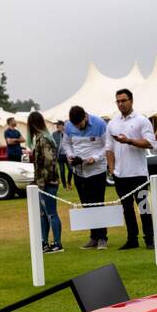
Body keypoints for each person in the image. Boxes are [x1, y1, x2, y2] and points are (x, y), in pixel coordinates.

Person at [105, 88, 156, 250]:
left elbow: (149, 143)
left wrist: (129, 141)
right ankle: (132, 239)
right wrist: (112, 170)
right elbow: (109, 148)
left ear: (131, 101)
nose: (120, 104)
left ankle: (150, 238)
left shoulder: (142, 120)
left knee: (144, 208)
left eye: (123, 100)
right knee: (127, 210)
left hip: (138, 173)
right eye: (118, 101)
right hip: (121, 175)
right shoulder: (112, 123)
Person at [62, 106, 110, 249]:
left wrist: (95, 158)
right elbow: (66, 143)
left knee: (97, 203)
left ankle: (102, 238)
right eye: (76, 125)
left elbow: (107, 145)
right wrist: (70, 155)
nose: (78, 127)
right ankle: (93, 237)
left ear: (85, 117)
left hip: (96, 170)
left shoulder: (100, 124)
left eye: (80, 124)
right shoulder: (68, 126)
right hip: (79, 171)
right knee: (86, 205)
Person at [28, 111, 63, 253]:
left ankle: (57, 243)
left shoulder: (43, 139)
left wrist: (41, 181)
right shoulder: (41, 137)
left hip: (48, 182)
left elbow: (49, 162)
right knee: (43, 214)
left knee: (51, 213)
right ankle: (44, 242)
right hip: (43, 182)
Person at [52, 120, 71, 189]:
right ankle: (64, 186)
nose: (58, 127)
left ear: (63, 126)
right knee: (62, 171)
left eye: (59, 125)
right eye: (57, 126)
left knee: (71, 169)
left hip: (67, 154)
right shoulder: (54, 134)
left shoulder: (67, 133)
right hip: (59, 155)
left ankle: (69, 182)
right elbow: (53, 144)